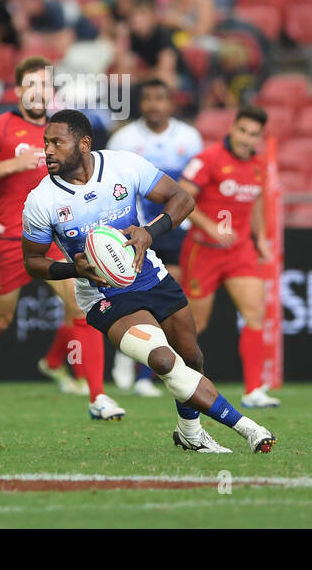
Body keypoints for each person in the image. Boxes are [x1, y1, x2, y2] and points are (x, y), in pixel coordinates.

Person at [21, 109, 276, 454]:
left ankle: (189, 432)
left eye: (56, 142)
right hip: (103, 295)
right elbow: (33, 262)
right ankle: (248, 428)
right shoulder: (41, 199)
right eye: (45, 143)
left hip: (151, 276)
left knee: (192, 359)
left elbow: (183, 199)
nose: (47, 150)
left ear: (83, 144)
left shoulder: (124, 165)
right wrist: (74, 269)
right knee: (163, 360)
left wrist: (149, 232)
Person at [0, 58, 125, 419]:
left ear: (52, 91)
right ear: (17, 91)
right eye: (29, 85)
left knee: (82, 307)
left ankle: (98, 396)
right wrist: (11, 164)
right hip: (12, 237)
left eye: (43, 85)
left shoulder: (64, 129)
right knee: (0, 319)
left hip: (56, 236)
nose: (37, 92)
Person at [106, 78, 204, 396]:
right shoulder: (124, 137)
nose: (153, 105)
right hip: (136, 230)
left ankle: (144, 370)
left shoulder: (189, 138)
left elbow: (193, 186)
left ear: (171, 102)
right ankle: (137, 364)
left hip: (175, 228)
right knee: (138, 300)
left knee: (169, 303)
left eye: (160, 98)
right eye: (147, 99)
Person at [177, 105, 278, 409]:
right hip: (202, 251)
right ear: (233, 128)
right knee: (196, 323)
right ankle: (164, 370)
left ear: (260, 137)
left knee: (255, 314)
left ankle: (254, 390)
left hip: (239, 251)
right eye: (243, 130)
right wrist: (211, 228)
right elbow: (182, 196)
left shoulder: (259, 165)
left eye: (253, 134)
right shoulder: (207, 160)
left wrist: (259, 238)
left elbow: (256, 203)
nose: (246, 138)